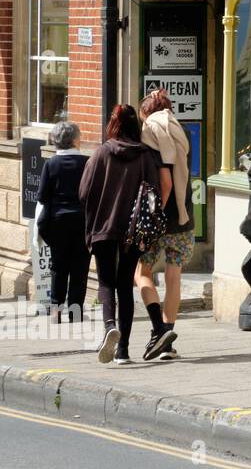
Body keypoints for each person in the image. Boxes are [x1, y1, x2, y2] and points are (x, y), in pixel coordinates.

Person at [79, 105, 162, 365]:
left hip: (104, 227)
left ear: (113, 124)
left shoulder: (102, 153)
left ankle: (109, 326)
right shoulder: (145, 156)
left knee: (106, 282)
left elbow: (83, 191)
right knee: (125, 284)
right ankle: (123, 350)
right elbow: (154, 194)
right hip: (134, 229)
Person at [134, 89, 194, 361]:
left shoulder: (151, 133)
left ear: (146, 113)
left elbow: (165, 183)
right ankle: (167, 341)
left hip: (157, 217)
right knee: (174, 276)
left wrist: (156, 215)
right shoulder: (179, 131)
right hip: (184, 216)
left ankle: (158, 330)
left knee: (141, 272)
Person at [35, 121, 90, 324]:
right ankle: (75, 311)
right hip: (83, 220)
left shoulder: (50, 164)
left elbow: (42, 196)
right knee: (80, 266)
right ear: (75, 140)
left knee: (58, 266)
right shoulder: (87, 162)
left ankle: (56, 310)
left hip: (58, 221)